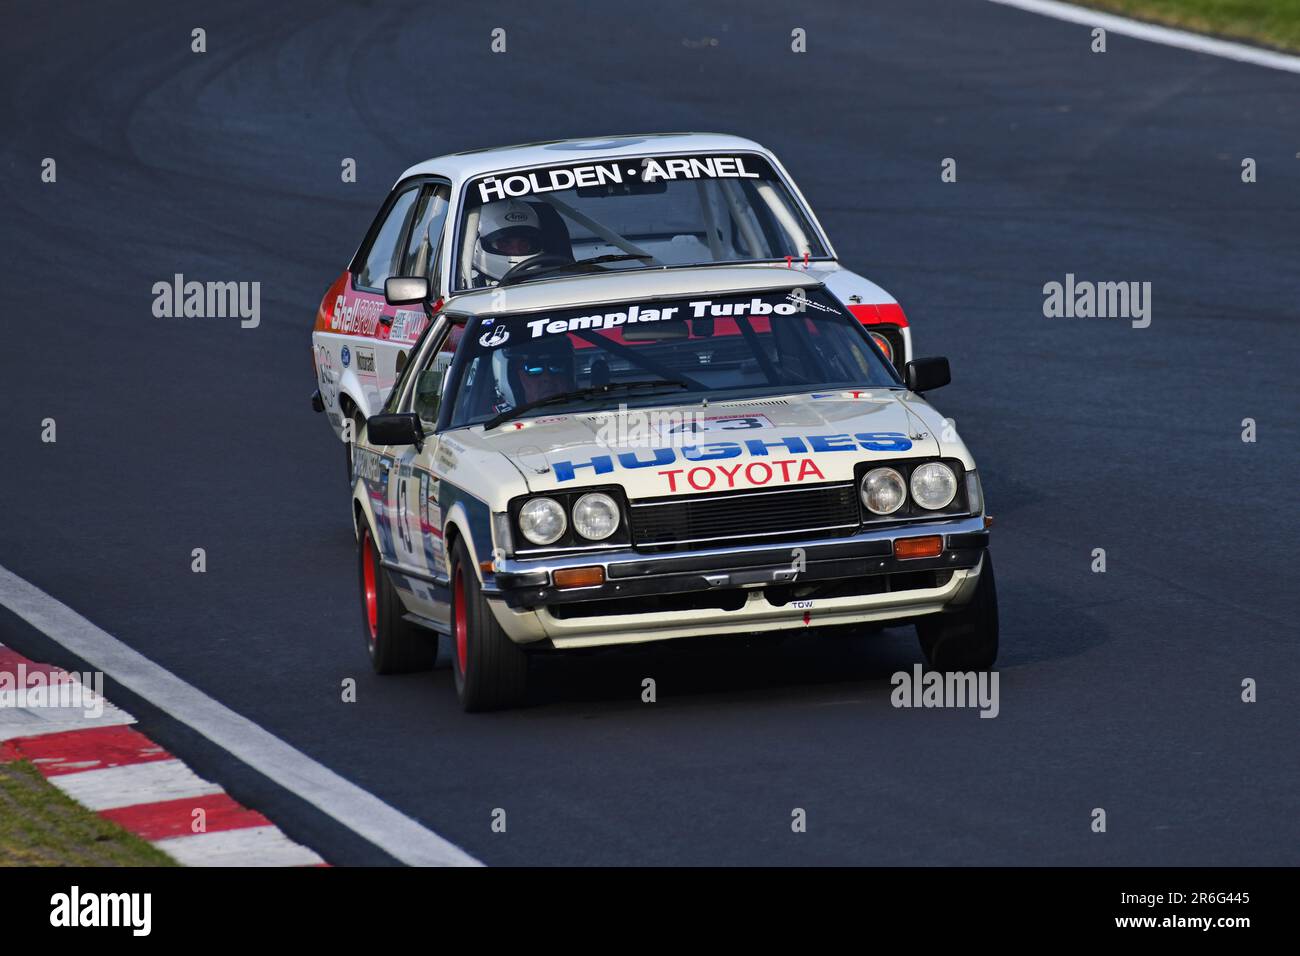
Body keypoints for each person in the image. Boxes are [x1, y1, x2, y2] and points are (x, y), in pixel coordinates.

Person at [471, 199, 547, 286]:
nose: (516, 250)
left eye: (523, 244)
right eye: (504, 244)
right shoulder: (464, 286)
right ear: (476, 242)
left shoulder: (554, 277)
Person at [491, 334, 577, 409]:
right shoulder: (495, 424)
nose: (547, 377)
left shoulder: (589, 410)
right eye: (533, 368)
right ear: (514, 380)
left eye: (556, 366)